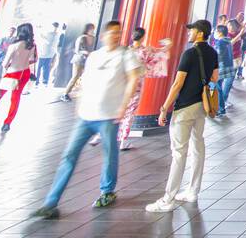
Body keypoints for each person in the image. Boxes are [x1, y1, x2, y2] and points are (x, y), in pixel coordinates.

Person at [33, 21, 143, 218]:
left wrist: (123, 105)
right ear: (103, 36)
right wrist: (79, 102)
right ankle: (51, 202)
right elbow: (86, 80)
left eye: (118, 33)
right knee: (68, 156)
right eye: (112, 33)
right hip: (86, 114)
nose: (115, 36)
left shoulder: (126, 55)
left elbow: (134, 78)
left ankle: (107, 191)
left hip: (109, 115)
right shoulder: (94, 56)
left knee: (110, 154)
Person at [145, 20, 219, 213]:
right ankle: (193, 191)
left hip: (185, 106)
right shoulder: (212, 52)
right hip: (201, 107)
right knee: (198, 148)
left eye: (192, 30)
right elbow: (214, 78)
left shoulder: (189, 53)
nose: (189, 33)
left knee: (179, 153)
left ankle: (168, 199)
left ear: (200, 33)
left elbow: (178, 84)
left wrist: (164, 108)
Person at [118, 28, 168, 150]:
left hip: (122, 84)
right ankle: (123, 140)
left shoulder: (125, 51)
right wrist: (168, 46)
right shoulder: (145, 51)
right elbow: (160, 53)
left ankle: (103, 134)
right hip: (136, 85)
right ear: (143, 37)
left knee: (118, 109)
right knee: (130, 112)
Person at [59, 23, 96, 102]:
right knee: (75, 77)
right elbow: (77, 50)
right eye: (91, 29)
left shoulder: (93, 38)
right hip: (78, 60)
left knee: (85, 77)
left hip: (87, 60)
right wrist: (86, 52)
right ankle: (65, 94)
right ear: (87, 30)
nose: (92, 31)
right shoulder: (82, 38)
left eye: (93, 29)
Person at [212, 24, 234, 115]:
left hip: (221, 67)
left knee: (217, 88)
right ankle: (219, 108)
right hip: (228, 66)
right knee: (218, 86)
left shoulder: (220, 42)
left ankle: (220, 109)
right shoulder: (228, 41)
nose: (214, 33)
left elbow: (218, 55)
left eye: (216, 31)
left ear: (220, 33)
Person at [35, 22, 59, 87]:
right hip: (42, 53)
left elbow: (50, 43)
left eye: (56, 27)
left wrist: (44, 38)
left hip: (49, 54)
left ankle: (44, 81)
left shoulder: (56, 34)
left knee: (46, 68)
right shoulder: (48, 33)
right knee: (39, 68)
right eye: (54, 26)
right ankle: (36, 81)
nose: (55, 28)